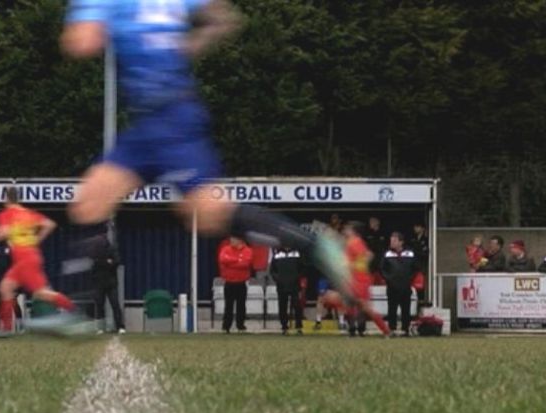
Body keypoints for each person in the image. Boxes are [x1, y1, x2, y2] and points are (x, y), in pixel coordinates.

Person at [59, 0, 352, 313]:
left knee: (211, 213)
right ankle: (75, 312)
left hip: (172, 120)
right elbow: (223, 18)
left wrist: (88, 24)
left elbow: (81, 42)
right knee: (89, 203)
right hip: (148, 122)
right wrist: (185, 46)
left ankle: (315, 246)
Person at [0, 187, 77, 331]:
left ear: (6, 198)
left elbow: (2, 234)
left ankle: (74, 312)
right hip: (30, 257)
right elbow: (50, 224)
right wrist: (37, 240)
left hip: (24, 260)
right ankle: (6, 329)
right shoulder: (28, 213)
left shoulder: (6, 214)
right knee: (5, 288)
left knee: (41, 293)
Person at [321, 222, 391, 337]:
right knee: (355, 305)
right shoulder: (354, 242)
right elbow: (368, 255)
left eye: (348, 229)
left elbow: (365, 257)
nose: (345, 230)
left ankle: (384, 331)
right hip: (356, 279)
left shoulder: (354, 242)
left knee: (339, 300)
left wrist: (348, 265)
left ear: (353, 231)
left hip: (359, 280)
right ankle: (362, 329)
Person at [381, 232, 417, 336]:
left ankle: (405, 329)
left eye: (394, 241)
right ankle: (391, 329)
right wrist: (389, 279)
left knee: (406, 309)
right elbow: (382, 269)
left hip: (405, 286)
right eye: (391, 240)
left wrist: (409, 279)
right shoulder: (387, 254)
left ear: (401, 242)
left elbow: (415, 268)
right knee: (392, 309)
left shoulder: (410, 254)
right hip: (392, 287)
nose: (391, 242)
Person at [90, 231, 126, 334]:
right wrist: (107, 262)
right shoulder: (95, 251)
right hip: (99, 283)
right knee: (99, 305)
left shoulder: (111, 249)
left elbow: (116, 262)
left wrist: (107, 262)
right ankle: (101, 328)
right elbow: (95, 265)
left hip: (111, 283)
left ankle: (120, 327)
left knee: (115, 304)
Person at [218, 235, 252, 333]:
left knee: (241, 305)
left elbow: (245, 263)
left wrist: (231, 262)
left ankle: (240, 326)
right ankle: (226, 326)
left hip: (241, 282)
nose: (231, 240)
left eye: (234, 239)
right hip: (229, 282)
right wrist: (237, 259)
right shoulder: (226, 249)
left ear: (240, 240)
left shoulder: (247, 250)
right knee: (228, 305)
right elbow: (223, 259)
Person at [270, 245, 304, 335]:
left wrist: (296, 277)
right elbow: (272, 270)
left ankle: (299, 326)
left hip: (294, 285)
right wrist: (278, 279)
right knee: (282, 306)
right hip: (281, 285)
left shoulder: (297, 254)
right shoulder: (277, 255)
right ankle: (284, 326)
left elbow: (302, 268)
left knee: (297, 306)